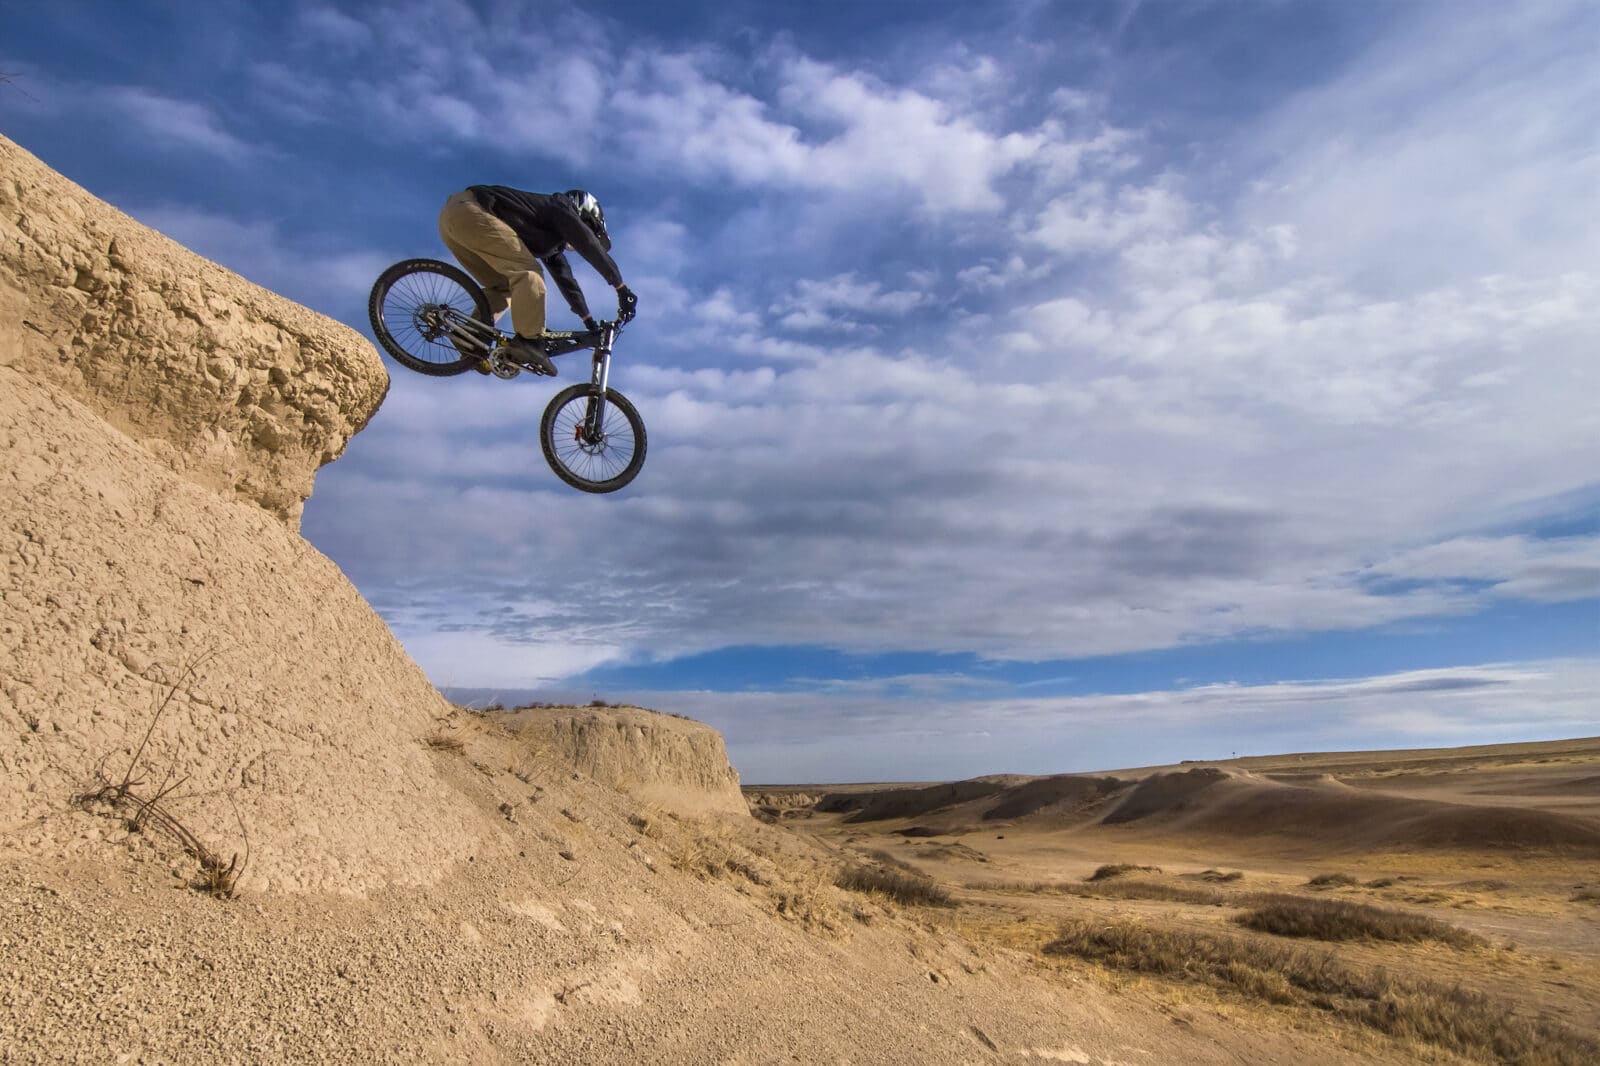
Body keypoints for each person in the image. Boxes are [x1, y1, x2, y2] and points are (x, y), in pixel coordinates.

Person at [437, 185, 638, 375]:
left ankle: (467, 339)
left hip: (453, 221)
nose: (576, 244)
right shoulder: (560, 207)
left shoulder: (550, 241)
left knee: (504, 287)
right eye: (589, 228)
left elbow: (566, 280)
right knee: (529, 273)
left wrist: (588, 321)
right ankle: (529, 342)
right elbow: (587, 242)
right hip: (471, 211)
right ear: (583, 213)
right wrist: (621, 287)